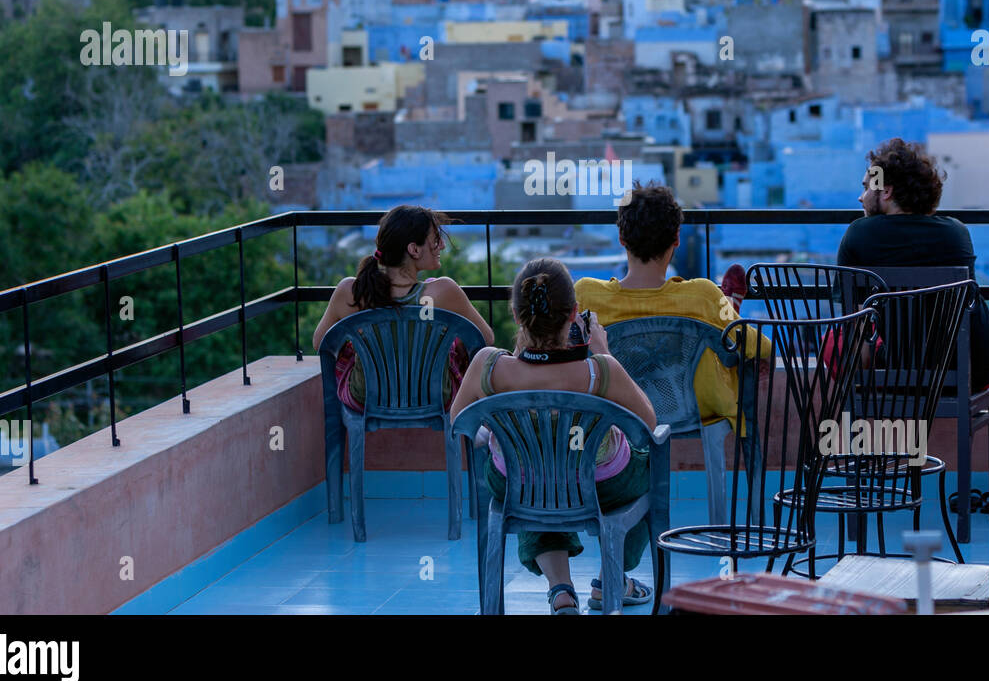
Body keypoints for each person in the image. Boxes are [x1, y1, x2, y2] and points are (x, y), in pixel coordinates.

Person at [449, 258, 657, 614]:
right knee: (644, 463)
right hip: (603, 483)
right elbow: (649, 425)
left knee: (533, 472)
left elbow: (460, 424)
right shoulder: (601, 370)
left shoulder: (488, 365)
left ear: (516, 315)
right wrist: (602, 349)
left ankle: (560, 590)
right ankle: (612, 579)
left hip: (519, 483)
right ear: (574, 313)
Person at [574, 182, 770, 434]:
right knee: (729, 340)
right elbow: (762, 347)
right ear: (677, 239)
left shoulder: (586, 294)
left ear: (622, 239)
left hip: (616, 412)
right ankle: (729, 310)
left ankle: (728, 312)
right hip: (696, 413)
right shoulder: (702, 295)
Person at [836, 138, 989, 391]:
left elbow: (854, 318)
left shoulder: (858, 234)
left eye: (866, 188)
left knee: (836, 340)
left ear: (886, 191)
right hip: (976, 366)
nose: (861, 198)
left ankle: (872, 396)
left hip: (903, 368)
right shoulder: (956, 232)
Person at [312, 205, 494, 413]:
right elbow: (485, 339)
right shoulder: (444, 292)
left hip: (366, 398)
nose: (442, 245)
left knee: (351, 347)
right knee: (451, 344)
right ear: (414, 249)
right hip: (435, 397)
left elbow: (321, 343)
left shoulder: (350, 291)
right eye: (435, 239)